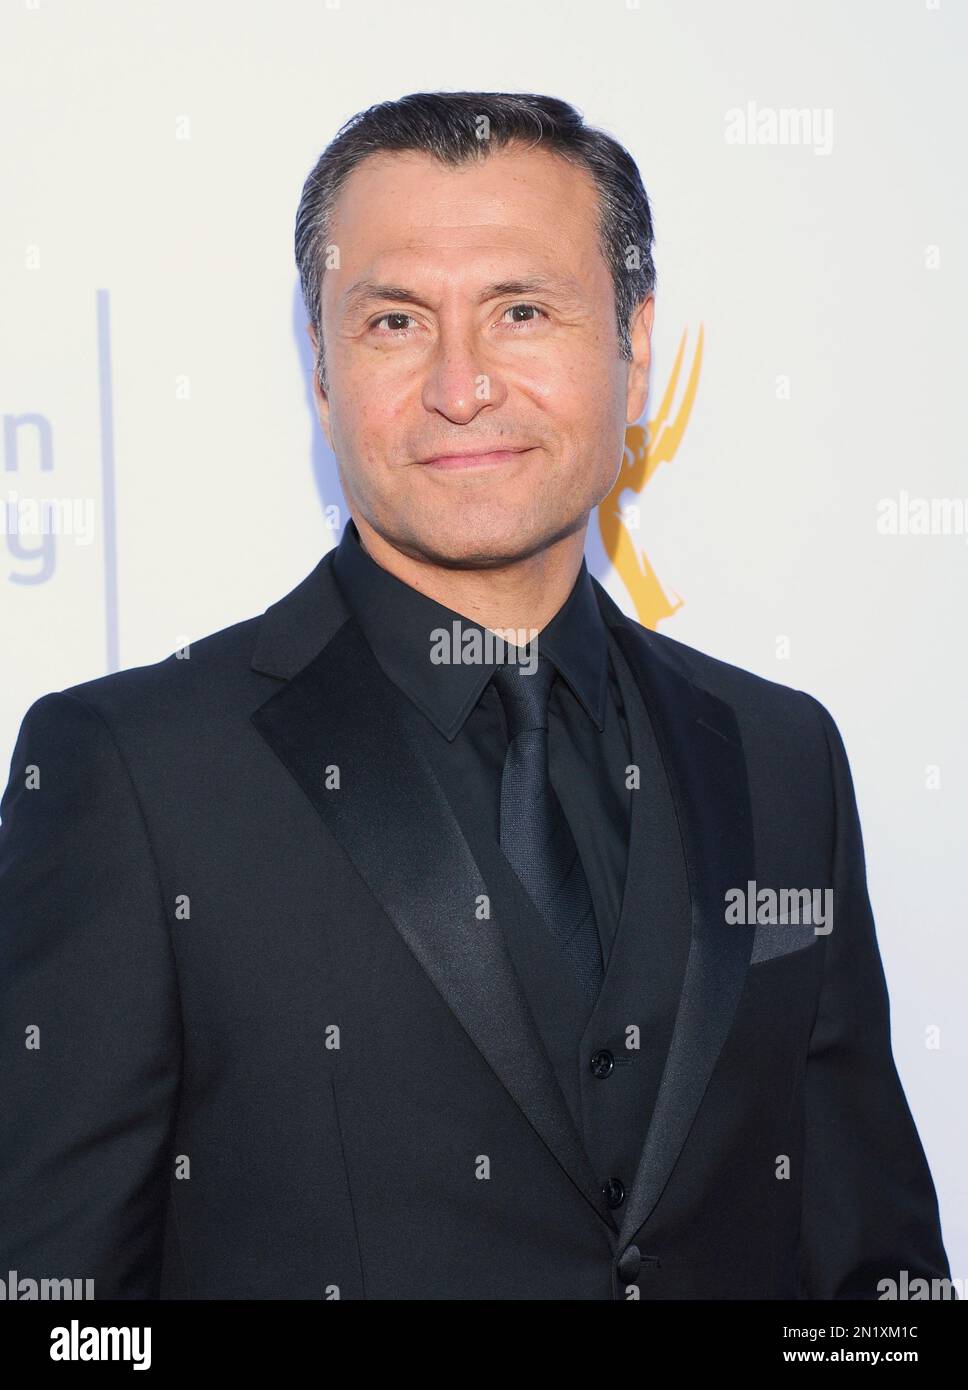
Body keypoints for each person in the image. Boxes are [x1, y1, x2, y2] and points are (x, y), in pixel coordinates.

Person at [0, 91, 951, 1300]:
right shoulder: (131, 771)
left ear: (634, 347)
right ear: (322, 373)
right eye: (395, 320)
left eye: (520, 310)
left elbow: (868, 1270)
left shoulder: (777, 755)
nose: (462, 385)